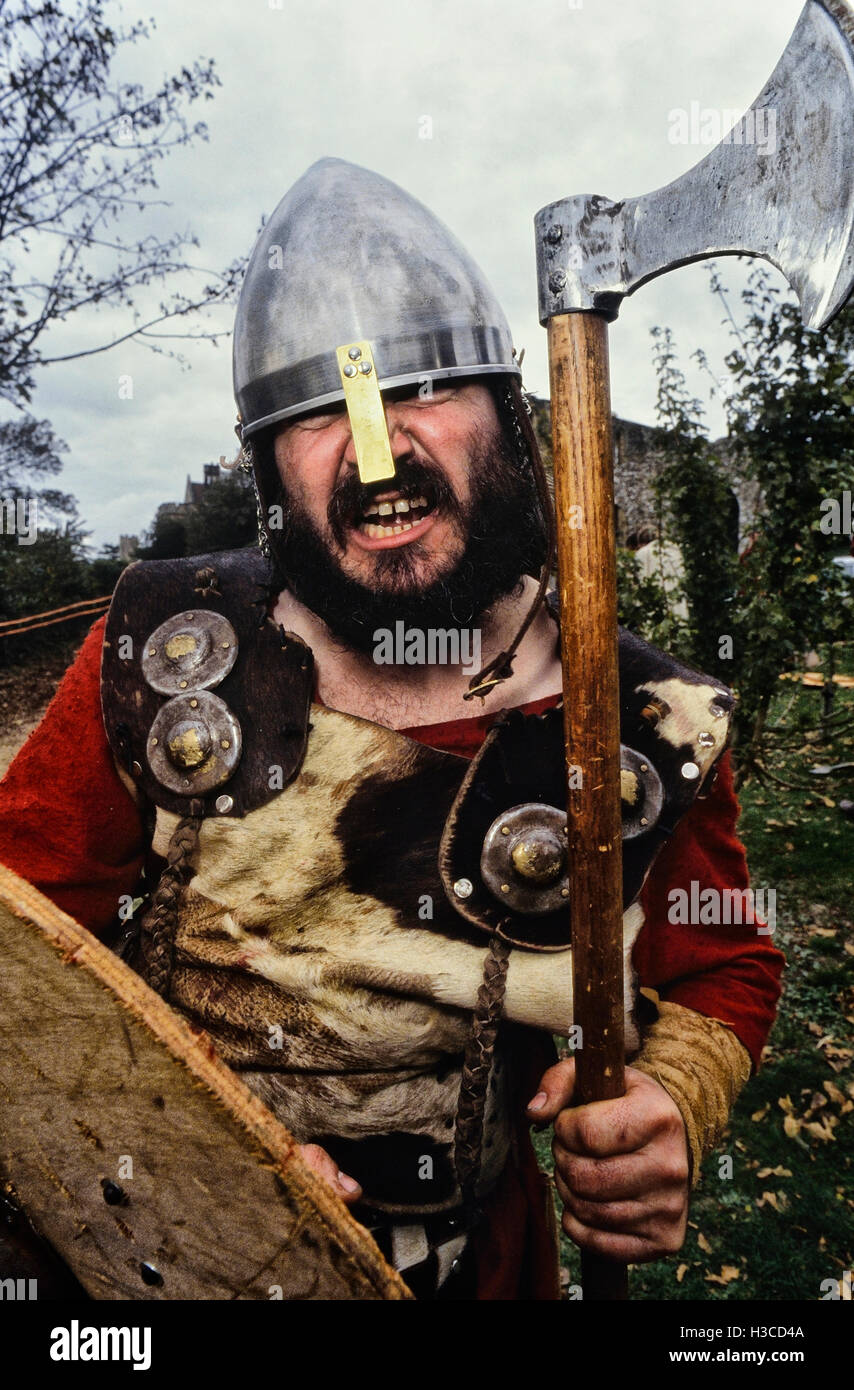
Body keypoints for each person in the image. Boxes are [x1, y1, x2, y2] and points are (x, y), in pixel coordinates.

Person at [0, 159, 783, 1300]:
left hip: (474, 1266)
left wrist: (671, 1099)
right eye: (316, 413)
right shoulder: (168, 649)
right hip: (144, 1262)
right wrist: (173, 1160)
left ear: (507, 420)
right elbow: (17, 955)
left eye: (424, 389)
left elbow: (722, 967)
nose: (376, 450)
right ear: (265, 466)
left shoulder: (643, 725)